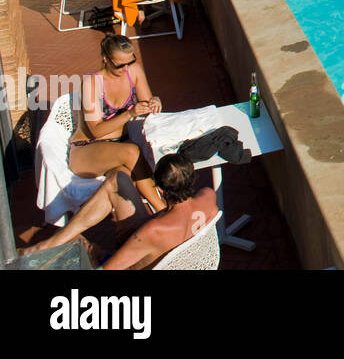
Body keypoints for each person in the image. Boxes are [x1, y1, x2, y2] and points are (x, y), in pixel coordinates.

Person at [25, 154, 219, 270]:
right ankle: (57, 246)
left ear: (160, 190)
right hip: (178, 254)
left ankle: (84, 250)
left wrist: (93, 254)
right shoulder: (208, 196)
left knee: (81, 244)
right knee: (118, 178)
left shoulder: (153, 230)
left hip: (151, 258)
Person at [66, 33, 165, 215]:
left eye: (130, 62)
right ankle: (164, 211)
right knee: (133, 151)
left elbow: (147, 105)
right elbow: (96, 131)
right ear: (106, 59)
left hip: (118, 149)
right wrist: (129, 113)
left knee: (124, 176)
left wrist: (154, 102)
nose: (126, 68)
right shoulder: (92, 83)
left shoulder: (133, 71)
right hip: (86, 150)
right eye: (120, 64)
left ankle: (144, 223)